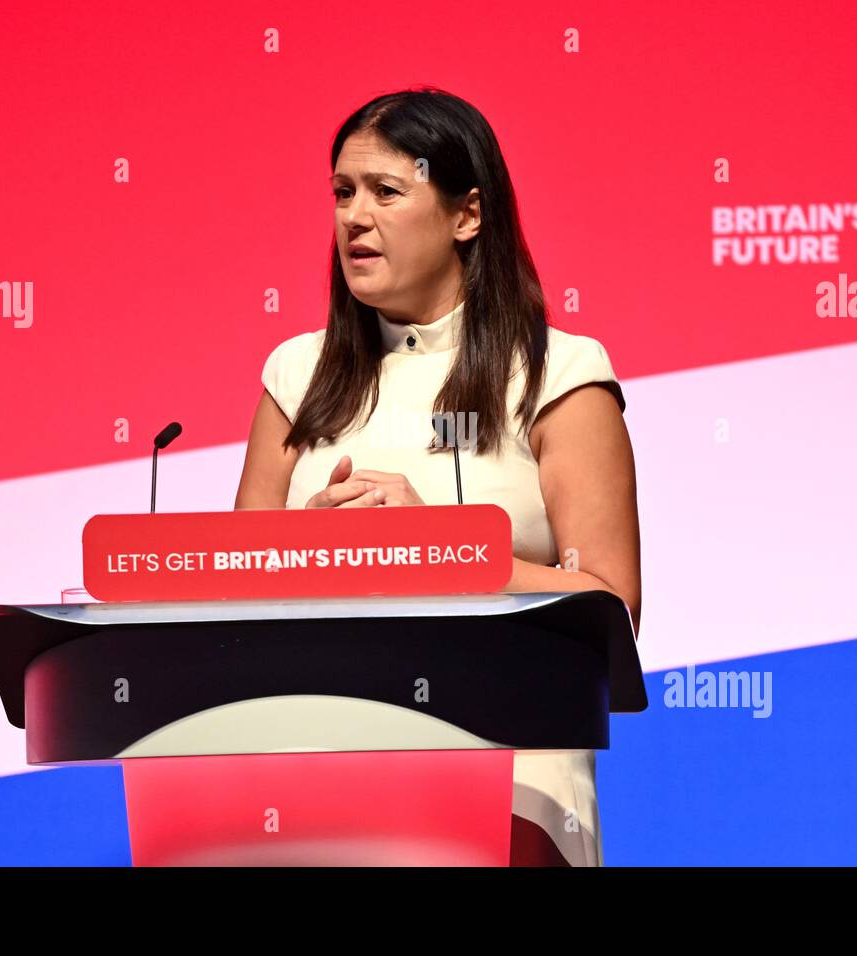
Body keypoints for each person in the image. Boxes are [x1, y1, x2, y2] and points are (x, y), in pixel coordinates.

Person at [234, 86, 642, 866]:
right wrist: (309, 551)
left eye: (387, 191)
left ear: (468, 215)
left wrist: (441, 549)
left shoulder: (560, 372)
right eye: (342, 193)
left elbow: (611, 607)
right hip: (312, 790)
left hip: (509, 792)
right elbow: (225, 599)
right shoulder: (297, 375)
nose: (354, 216)